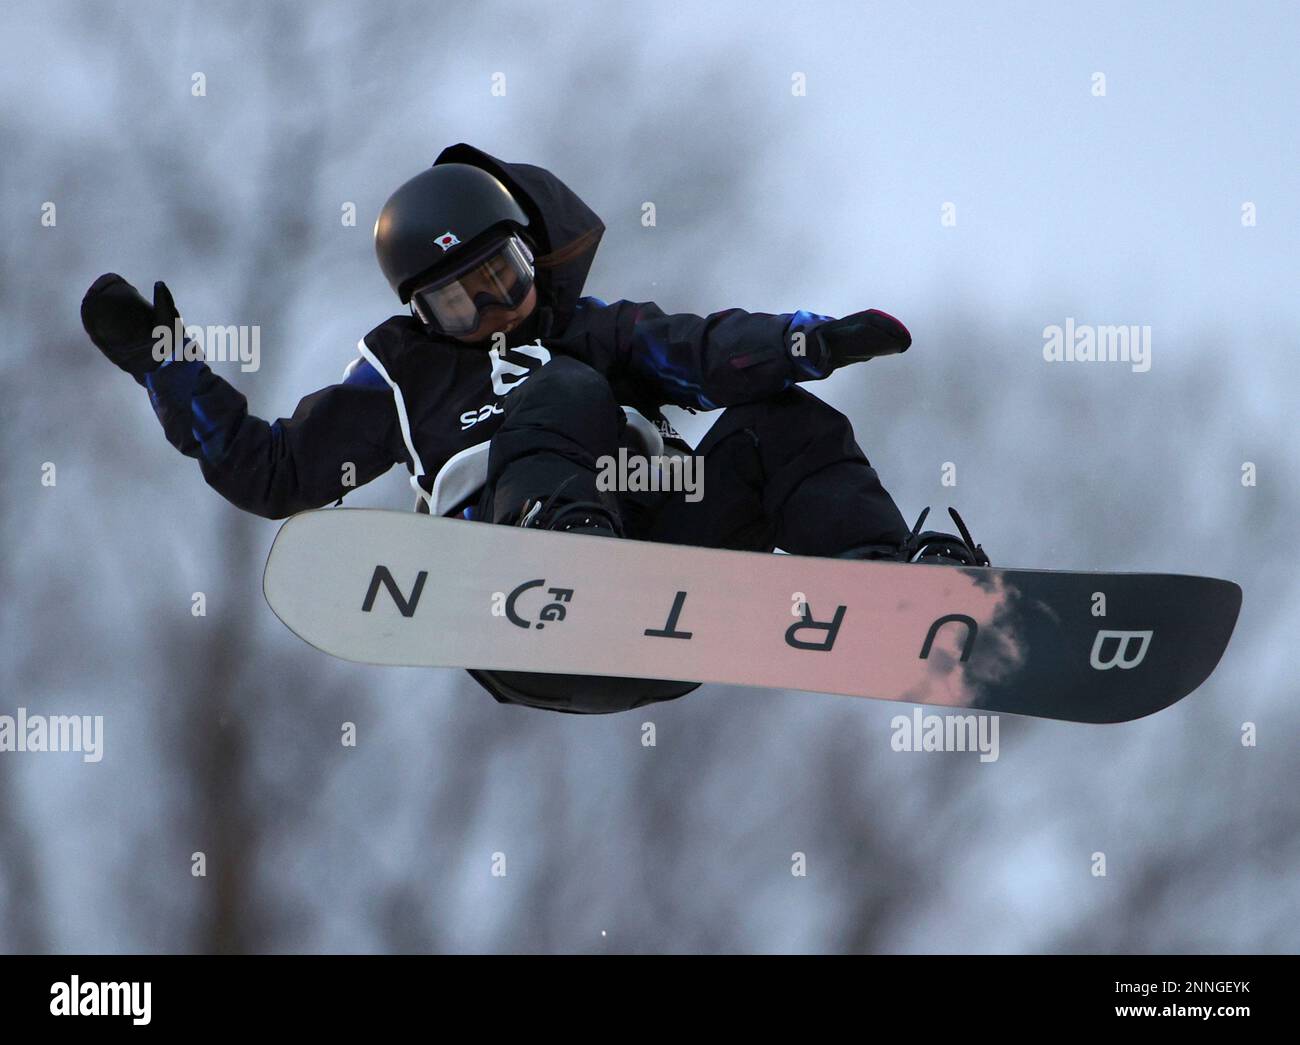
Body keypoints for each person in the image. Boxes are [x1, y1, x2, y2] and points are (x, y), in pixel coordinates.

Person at [80, 143, 989, 714]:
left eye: (508, 280)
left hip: (654, 590)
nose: (497, 313)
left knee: (780, 427)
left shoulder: (584, 331)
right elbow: (270, 470)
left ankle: (884, 591)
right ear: (420, 314)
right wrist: (164, 361)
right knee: (557, 391)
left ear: (534, 260)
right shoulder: (404, 374)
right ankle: (562, 549)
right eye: (460, 301)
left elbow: (704, 350)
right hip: (515, 616)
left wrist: (807, 341)